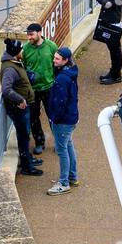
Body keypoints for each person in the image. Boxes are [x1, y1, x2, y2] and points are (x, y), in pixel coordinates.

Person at [0, 38, 43, 177]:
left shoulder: (14, 62)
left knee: (25, 133)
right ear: (16, 52)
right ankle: (27, 167)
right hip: (18, 108)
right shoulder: (10, 69)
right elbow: (6, 90)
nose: (23, 51)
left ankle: (28, 159)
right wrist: (20, 99)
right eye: (21, 50)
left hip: (21, 107)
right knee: (24, 136)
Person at [46, 46, 79, 194]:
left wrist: (54, 118)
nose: (54, 60)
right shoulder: (70, 74)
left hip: (63, 121)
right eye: (54, 57)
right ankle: (72, 177)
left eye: (57, 59)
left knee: (61, 150)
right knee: (68, 146)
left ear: (65, 61)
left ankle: (64, 182)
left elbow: (60, 102)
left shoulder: (62, 79)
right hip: (71, 117)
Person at [23, 21, 58, 154]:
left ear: (39, 33)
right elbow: (23, 67)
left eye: (31, 35)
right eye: (28, 35)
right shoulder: (26, 49)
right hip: (33, 91)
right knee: (33, 117)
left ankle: (58, 142)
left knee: (53, 116)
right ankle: (39, 142)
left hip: (49, 88)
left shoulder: (51, 46)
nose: (29, 37)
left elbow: (57, 65)